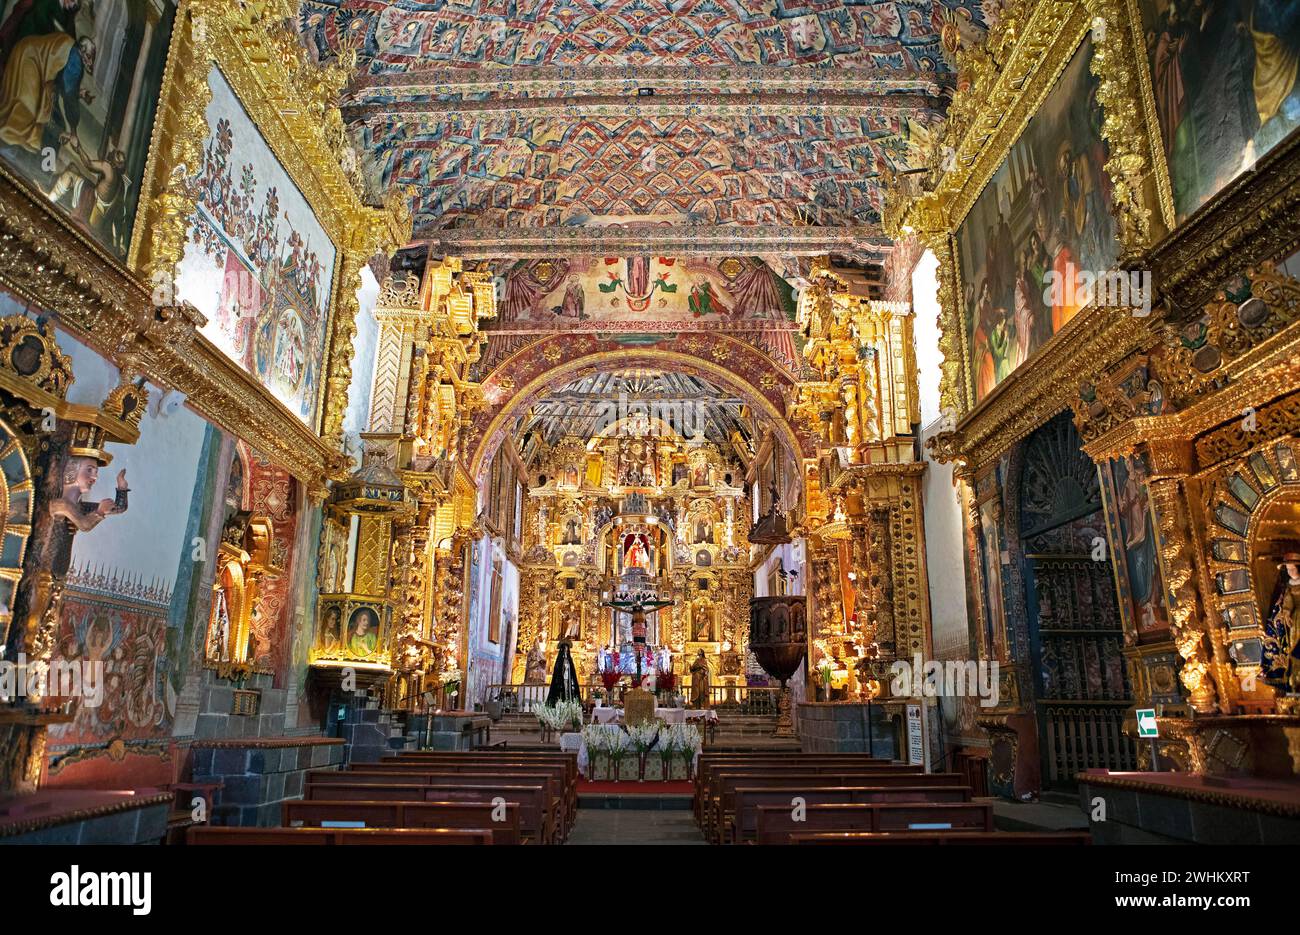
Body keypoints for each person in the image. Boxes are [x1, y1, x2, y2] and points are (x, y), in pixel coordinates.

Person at [547, 641, 581, 705]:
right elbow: (557, 669)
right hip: (562, 678)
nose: (566, 650)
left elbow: (572, 670)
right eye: (565, 649)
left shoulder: (569, 659)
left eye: (567, 649)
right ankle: (561, 702)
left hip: (568, 677)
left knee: (568, 689)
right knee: (562, 690)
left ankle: (569, 701)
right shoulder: (560, 660)